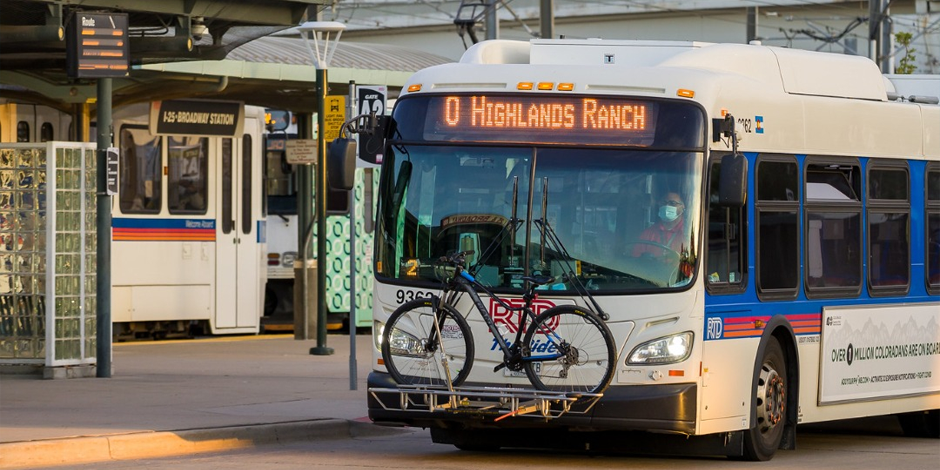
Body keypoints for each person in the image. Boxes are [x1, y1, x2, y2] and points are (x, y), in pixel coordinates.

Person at [632, 190, 692, 274]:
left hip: (679, 279)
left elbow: (693, 265)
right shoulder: (648, 233)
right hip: (651, 278)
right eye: (664, 203)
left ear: (683, 207)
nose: (667, 206)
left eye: (672, 203)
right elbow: (635, 263)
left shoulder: (689, 234)